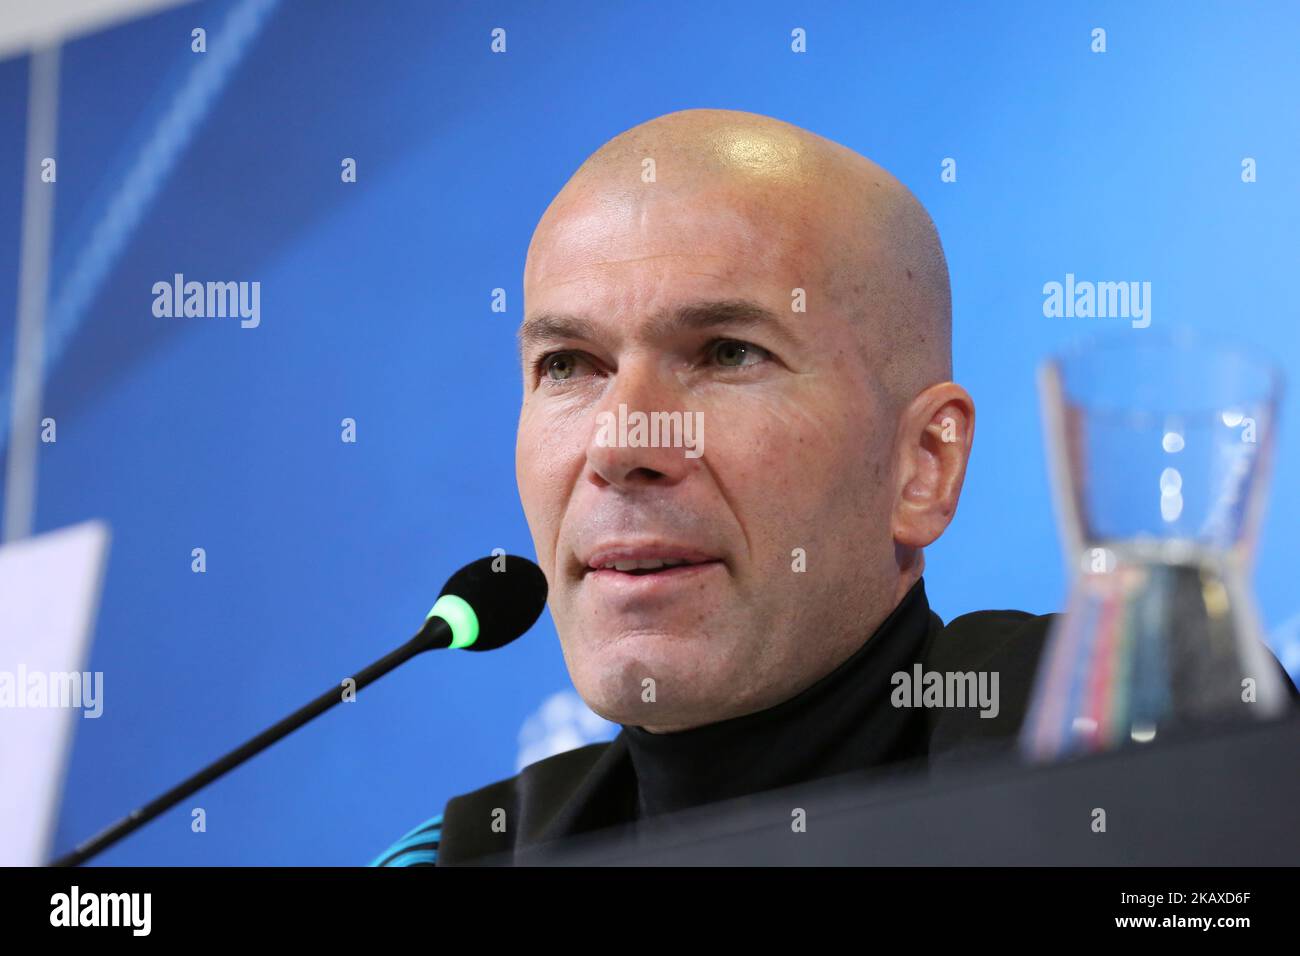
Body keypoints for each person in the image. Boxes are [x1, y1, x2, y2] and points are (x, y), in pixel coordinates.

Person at [371, 108, 1296, 867]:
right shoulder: (451, 859)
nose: (622, 444)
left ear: (923, 464)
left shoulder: (1130, 744)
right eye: (569, 365)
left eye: (728, 354)